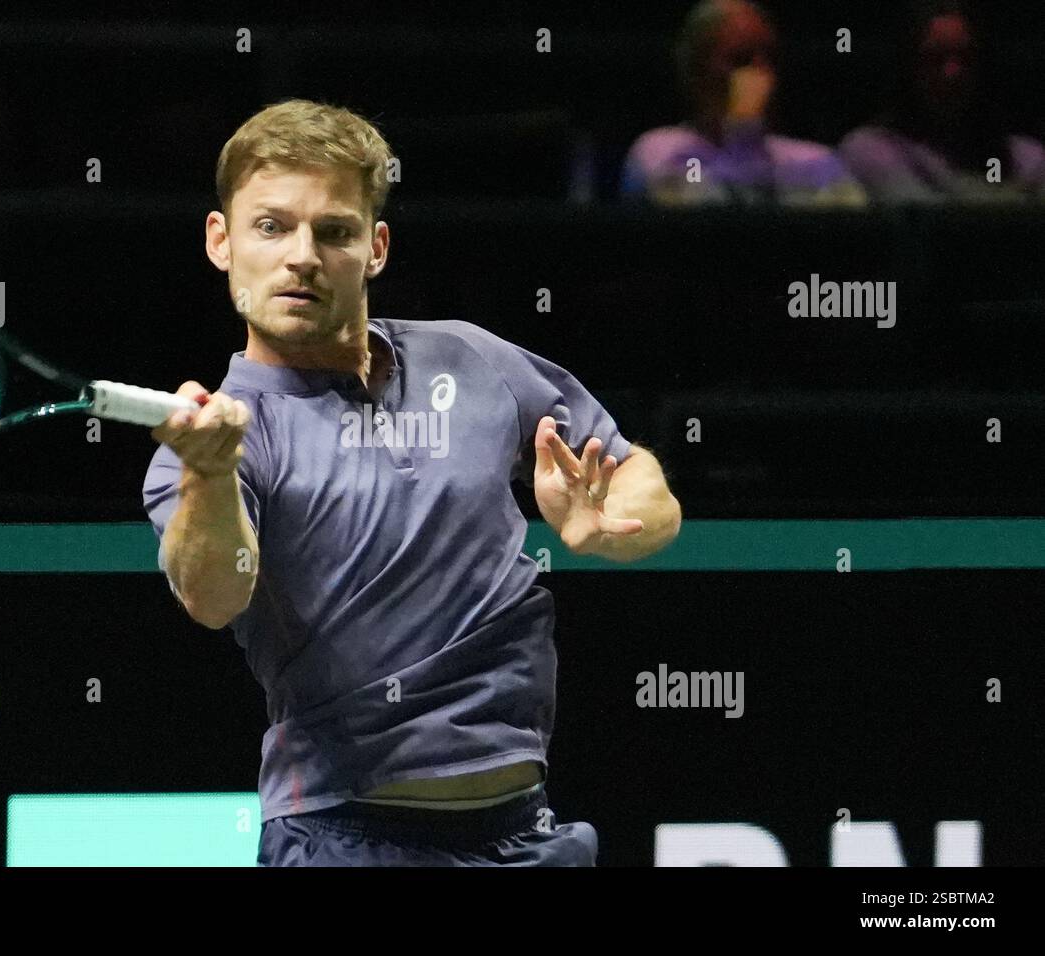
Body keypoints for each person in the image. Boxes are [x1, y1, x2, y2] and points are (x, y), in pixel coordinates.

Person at [143, 99, 682, 866]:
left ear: (376, 248)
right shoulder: (217, 439)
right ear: (221, 241)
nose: (302, 256)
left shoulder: (472, 360)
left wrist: (615, 519)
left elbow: (641, 480)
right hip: (346, 838)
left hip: (525, 833)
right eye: (271, 226)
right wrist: (210, 474)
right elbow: (213, 596)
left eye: (334, 231)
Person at [620, 0, 865, 206]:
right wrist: (744, 127)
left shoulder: (814, 160)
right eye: (741, 59)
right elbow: (726, 219)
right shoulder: (660, 151)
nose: (762, 73)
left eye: (769, 58)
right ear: (696, 71)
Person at [839, 2, 1045, 204]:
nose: (952, 73)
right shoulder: (870, 149)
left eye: (965, 57)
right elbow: (926, 219)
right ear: (909, 66)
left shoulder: (1028, 158)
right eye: (936, 58)